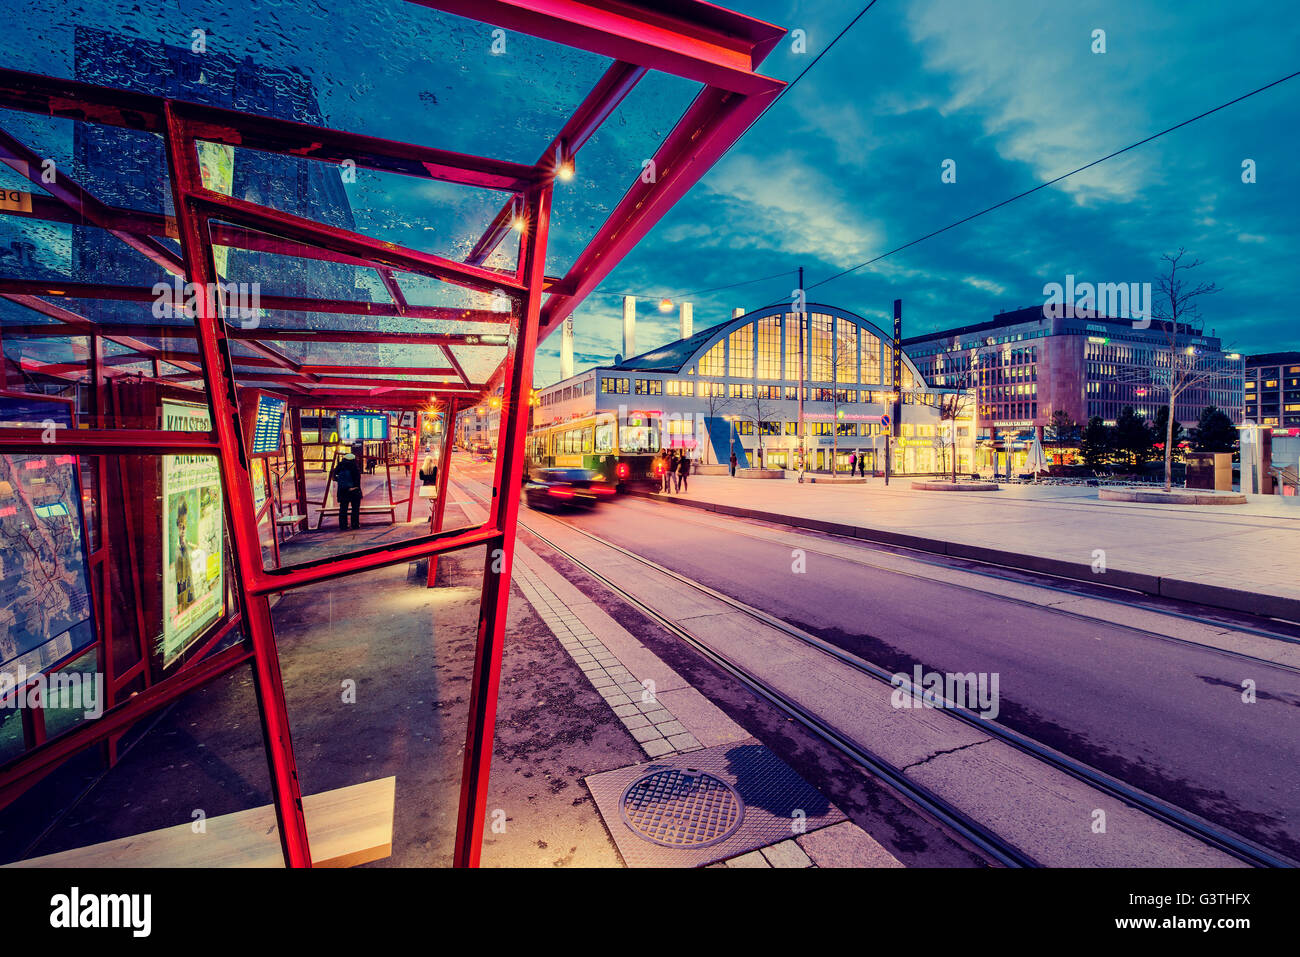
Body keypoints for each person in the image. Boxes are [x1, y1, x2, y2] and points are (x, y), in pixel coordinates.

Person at [333, 443, 363, 530]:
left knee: (343, 509)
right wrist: (355, 487)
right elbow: (357, 480)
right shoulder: (354, 467)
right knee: (355, 509)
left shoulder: (339, 467)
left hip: (343, 491)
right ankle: (355, 524)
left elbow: (334, 477)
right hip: (354, 491)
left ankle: (343, 525)